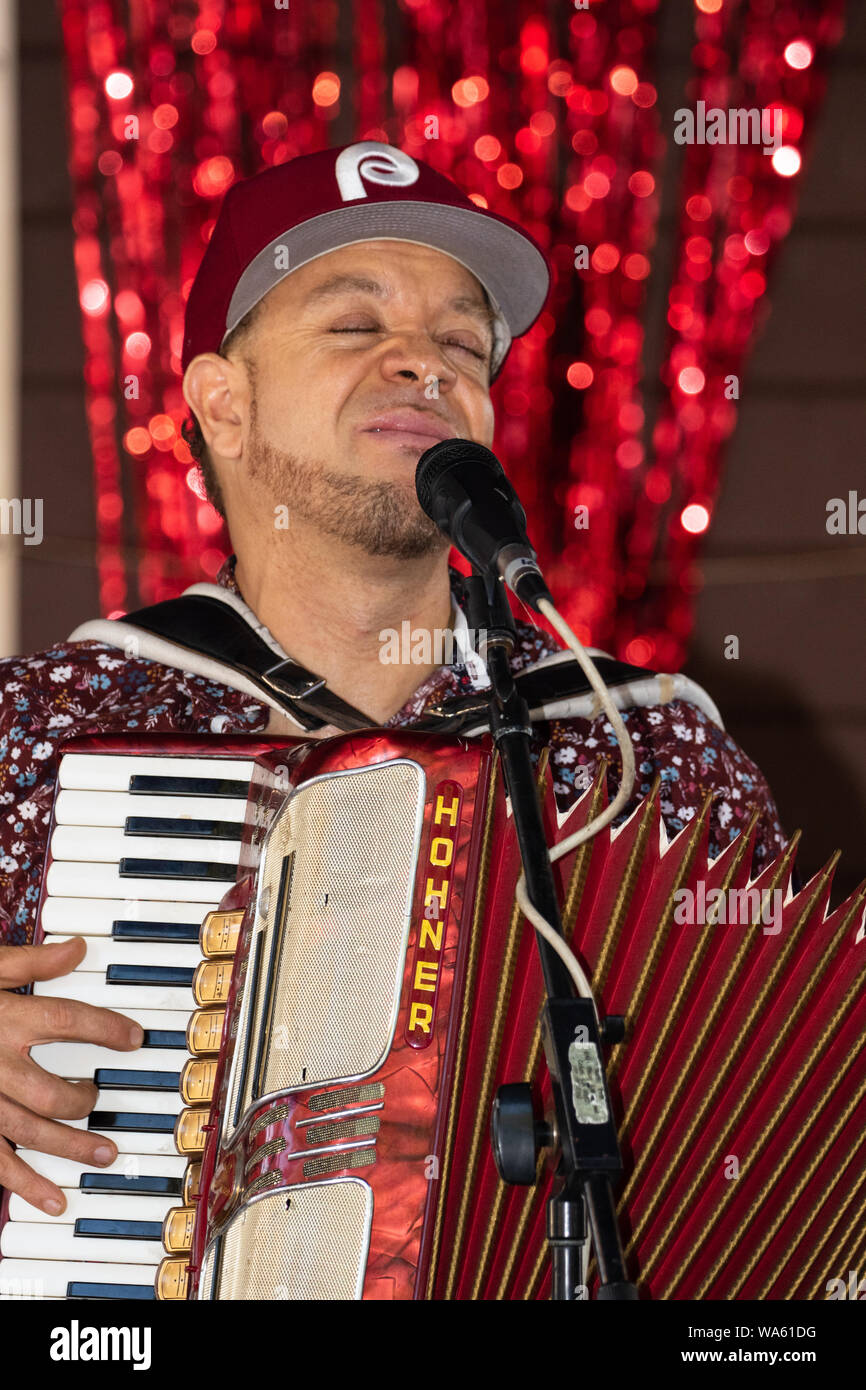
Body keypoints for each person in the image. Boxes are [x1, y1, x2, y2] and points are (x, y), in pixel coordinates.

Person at [0, 141, 786, 1218]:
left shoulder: (641, 745)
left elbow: (787, 1122)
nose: (426, 364)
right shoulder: (49, 726)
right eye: (354, 325)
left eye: (461, 342)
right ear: (222, 405)